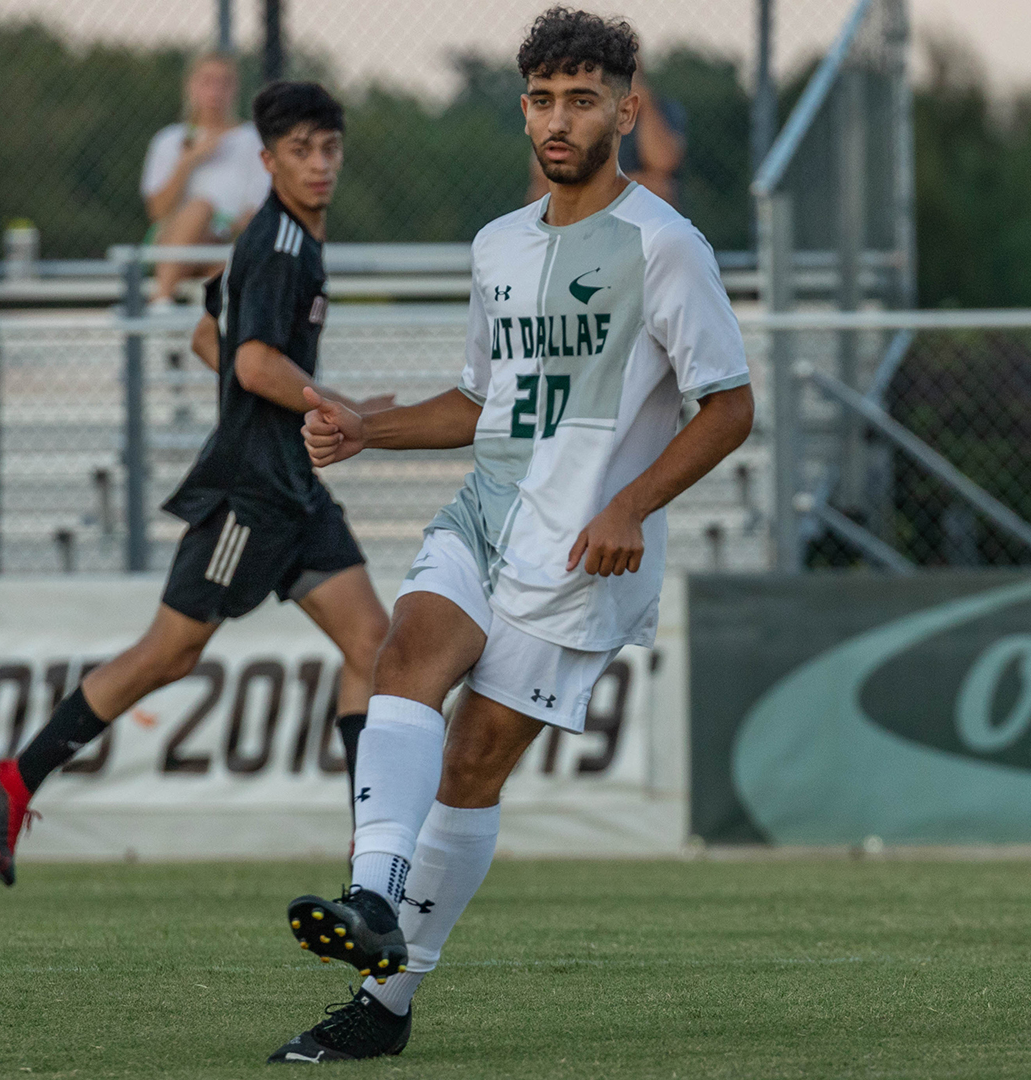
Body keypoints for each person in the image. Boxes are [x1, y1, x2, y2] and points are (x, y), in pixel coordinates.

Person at [268, 7, 753, 1062]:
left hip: (582, 550)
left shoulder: (667, 248)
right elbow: (483, 404)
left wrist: (630, 506)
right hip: (487, 512)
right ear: (523, 109)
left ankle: (386, 1005)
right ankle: (372, 900)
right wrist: (367, 424)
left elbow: (730, 407)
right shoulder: (497, 244)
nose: (558, 120)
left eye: (582, 100)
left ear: (626, 109)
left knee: (472, 768)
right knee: (403, 660)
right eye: (541, 100)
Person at [0, 82, 394, 887]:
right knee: (170, 654)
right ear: (269, 162)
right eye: (300, 152)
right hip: (249, 496)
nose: (319, 165)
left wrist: (288, 409)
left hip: (293, 488)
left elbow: (210, 332)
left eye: (329, 148)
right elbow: (248, 359)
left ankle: (370, 844)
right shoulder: (277, 245)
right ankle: (17, 779)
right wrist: (340, 408)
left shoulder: (285, 239)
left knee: (371, 645)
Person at [140, 54, 270, 308]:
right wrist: (188, 162)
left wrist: (230, 226)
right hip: (173, 241)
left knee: (225, 266)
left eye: (224, 83)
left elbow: (257, 211)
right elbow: (158, 212)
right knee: (201, 208)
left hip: (224, 242)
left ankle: (187, 330)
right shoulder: (169, 140)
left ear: (235, 89)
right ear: (191, 86)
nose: (215, 91)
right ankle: (161, 300)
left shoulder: (252, 140)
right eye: (207, 82)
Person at [525, 64, 685, 207]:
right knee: (542, 190)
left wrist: (646, 103)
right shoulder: (564, 109)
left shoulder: (661, 108)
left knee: (659, 189)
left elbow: (663, 164)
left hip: (627, 189)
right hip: (586, 183)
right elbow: (543, 171)